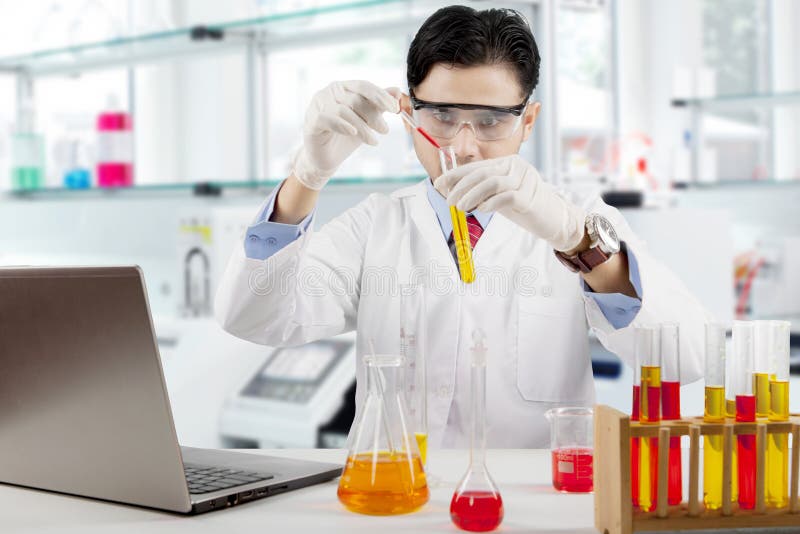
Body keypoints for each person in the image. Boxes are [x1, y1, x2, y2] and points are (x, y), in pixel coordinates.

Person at [215, 5, 712, 447]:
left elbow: (684, 358)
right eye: (443, 116)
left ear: (529, 120)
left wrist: (580, 242)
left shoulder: (576, 219)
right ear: (408, 115)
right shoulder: (375, 225)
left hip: (534, 510)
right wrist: (308, 174)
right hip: (395, 506)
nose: (466, 146)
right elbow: (252, 316)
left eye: (494, 120)